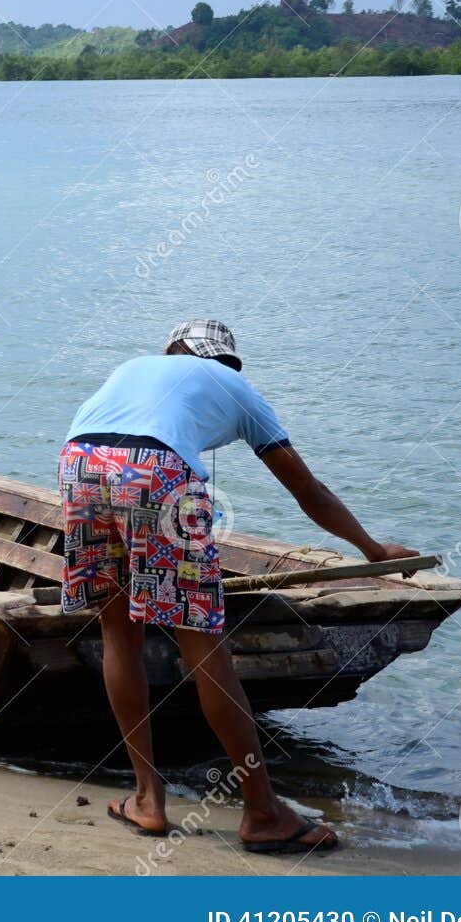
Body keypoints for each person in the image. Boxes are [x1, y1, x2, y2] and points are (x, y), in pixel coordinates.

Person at [59, 319, 418, 855]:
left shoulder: (133, 368)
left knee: (118, 635)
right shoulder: (239, 389)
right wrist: (374, 551)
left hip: (79, 463)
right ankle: (263, 813)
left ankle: (147, 801)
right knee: (205, 649)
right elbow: (310, 493)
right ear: (226, 362)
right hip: (158, 471)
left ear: (173, 350)